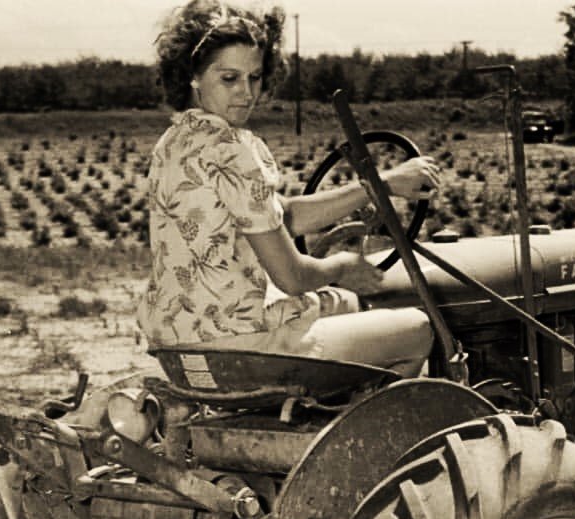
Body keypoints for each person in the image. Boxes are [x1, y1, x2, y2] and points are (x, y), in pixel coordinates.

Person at [137, 0, 440, 374]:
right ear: (193, 77)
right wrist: (343, 265)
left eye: (255, 77)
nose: (246, 93)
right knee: (418, 331)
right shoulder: (231, 149)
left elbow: (284, 214)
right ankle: (345, 428)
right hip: (238, 348)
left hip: (177, 343)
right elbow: (293, 277)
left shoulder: (176, 140)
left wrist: (381, 185)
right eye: (229, 78)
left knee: (344, 303)